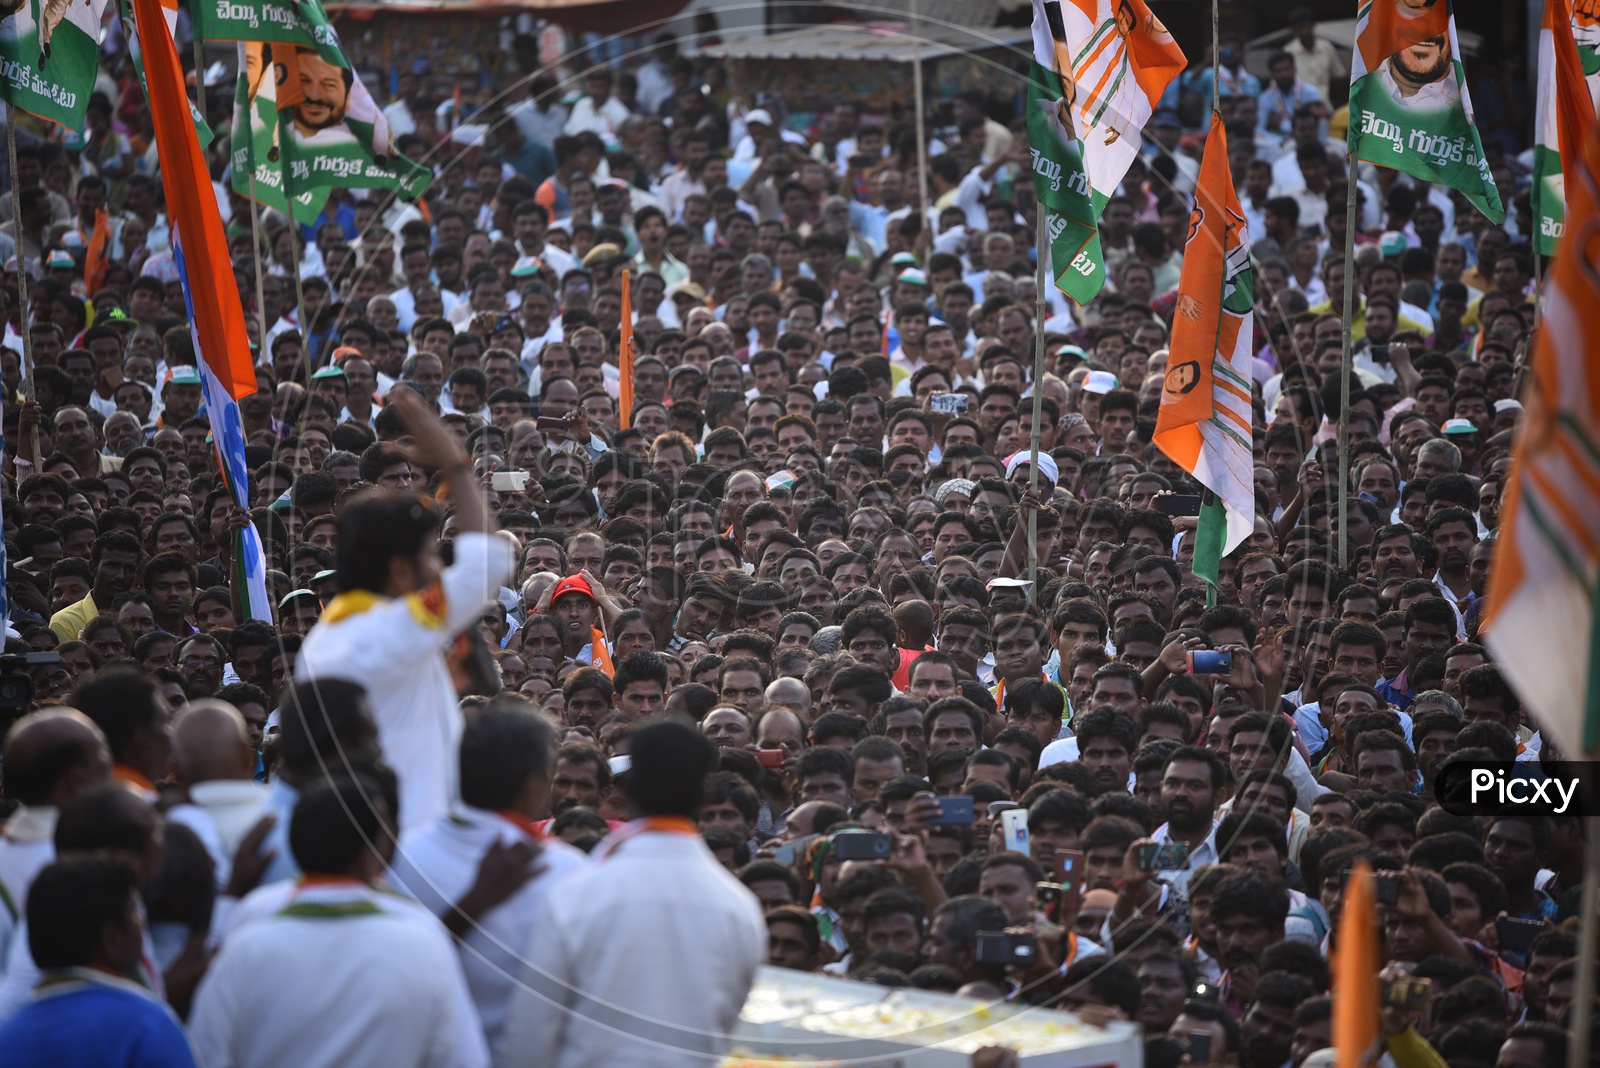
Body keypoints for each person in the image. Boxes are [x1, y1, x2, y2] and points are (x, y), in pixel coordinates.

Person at [296, 387, 512, 832]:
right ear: (399, 570)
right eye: (430, 556)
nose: (437, 568)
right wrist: (454, 463)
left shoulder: (326, 639)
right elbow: (490, 560)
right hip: (408, 842)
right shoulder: (395, 627)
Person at [495, 720, 765, 1067]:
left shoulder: (577, 894)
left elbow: (530, 1034)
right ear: (702, 797)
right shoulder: (740, 908)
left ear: (629, 790)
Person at [188, 773, 488, 1068]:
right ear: (368, 856)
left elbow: (204, 1053)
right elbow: (463, 1059)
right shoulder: (423, 939)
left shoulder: (248, 936)